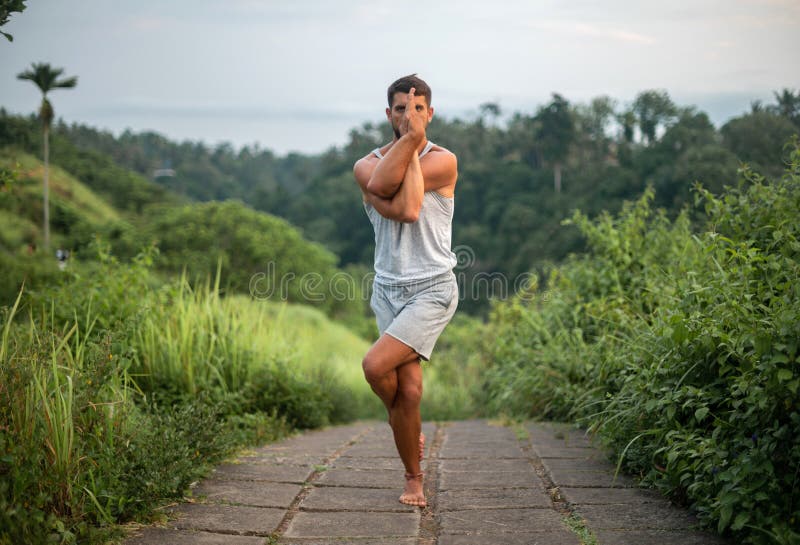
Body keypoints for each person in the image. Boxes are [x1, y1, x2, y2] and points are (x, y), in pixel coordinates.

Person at [353, 74, 459, 508]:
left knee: (376, 367)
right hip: (388, 290)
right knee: (409, 392)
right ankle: (414, 478)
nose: (407, 115)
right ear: (388, 114)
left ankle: (401, 422)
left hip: (432, 288)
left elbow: (410, 209)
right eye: (400, 109)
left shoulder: (445, 161)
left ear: (429, 113)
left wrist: (413, 144)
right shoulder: (365, 166)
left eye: (416, 109)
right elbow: (379, 185)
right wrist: (410, 144)